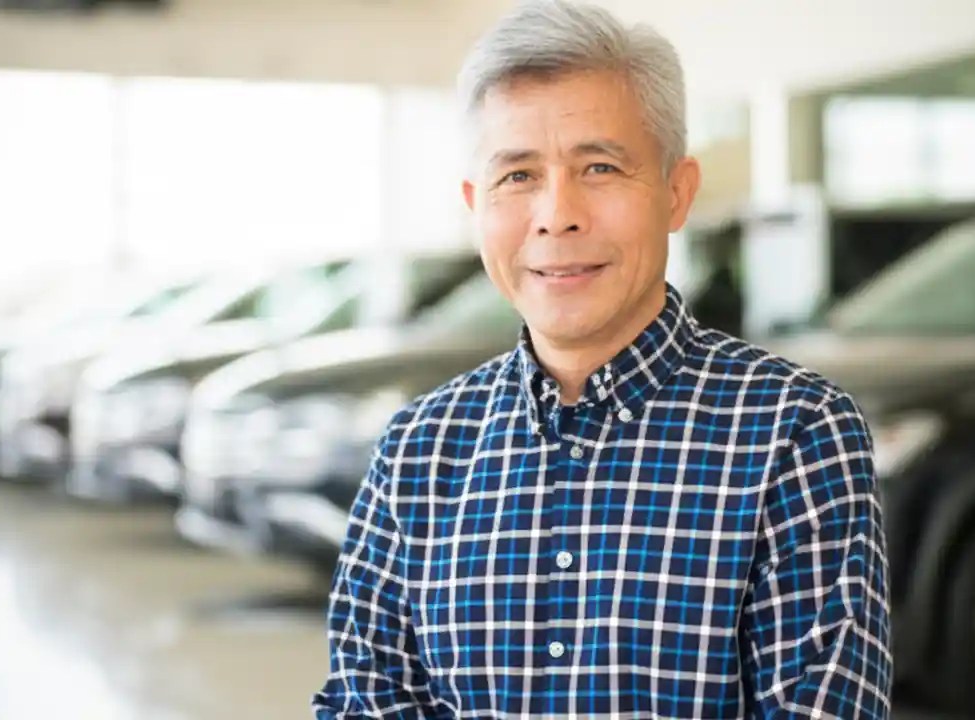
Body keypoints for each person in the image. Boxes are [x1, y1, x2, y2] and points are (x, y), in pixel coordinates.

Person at [313, 1, 891, 717]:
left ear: (676, 192)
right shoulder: (418, 451)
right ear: (475, 204)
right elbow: (365, 700)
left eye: (599, 166)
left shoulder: (795, 433)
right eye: (517, 176)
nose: (558, 214)